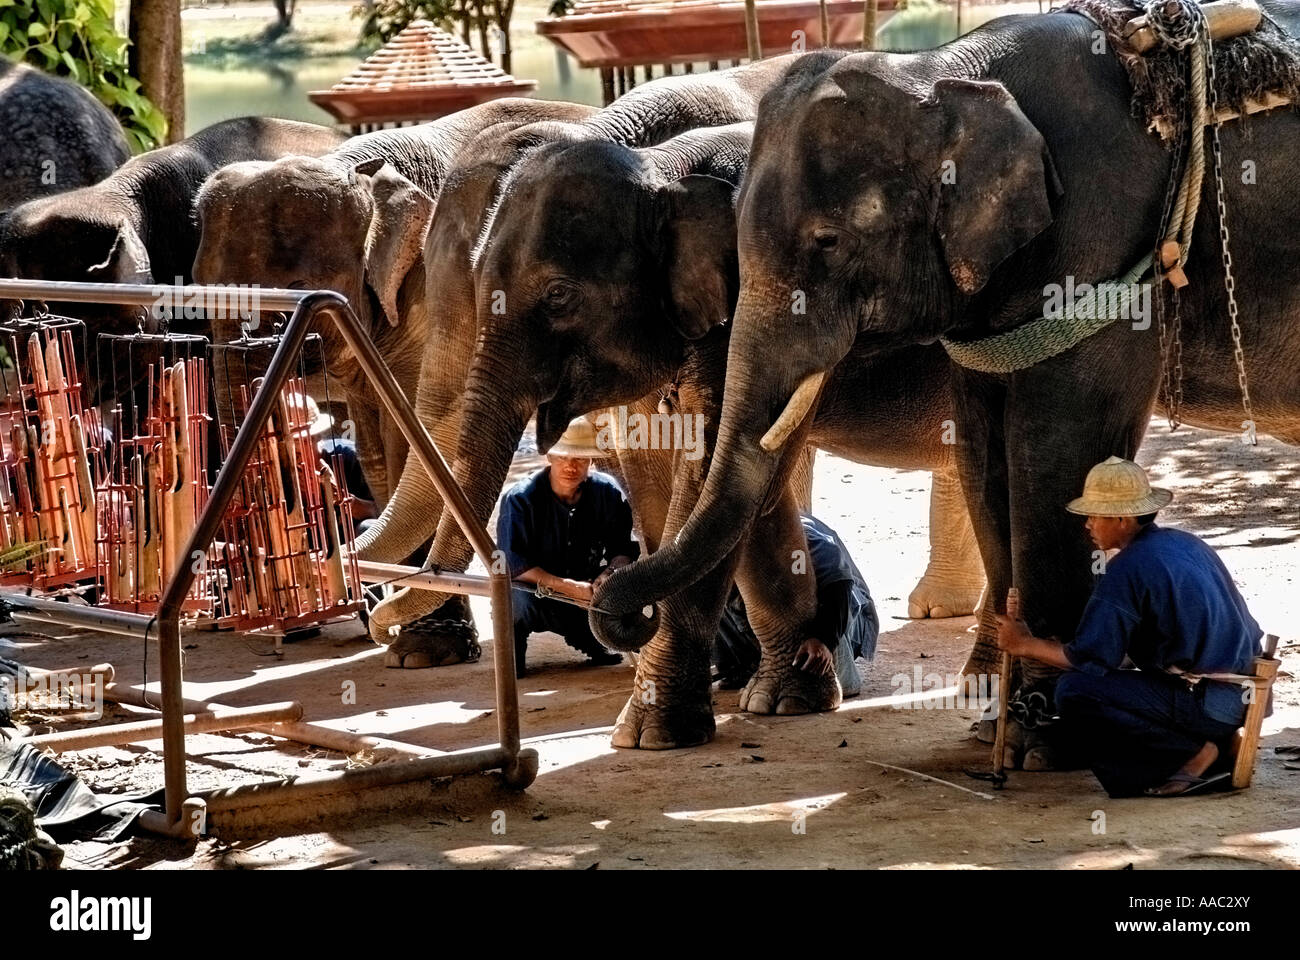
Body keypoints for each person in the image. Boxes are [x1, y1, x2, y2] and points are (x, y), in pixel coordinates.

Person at [996, 456, 1265, 798]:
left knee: (1074, 690)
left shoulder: (1128, 568)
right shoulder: (1185, 542)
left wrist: (1022, 644)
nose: (1088, 524)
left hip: (1209, 703)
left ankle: (1191, 753)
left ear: (1123, 519)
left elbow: (1089, 659)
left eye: (1095, 515)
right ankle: (1218, 738)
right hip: (1242, 696)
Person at [496, 416, 639, 678]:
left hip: (589, 596)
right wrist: (569, 588)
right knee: (517, 601)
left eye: (580, 458)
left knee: (626, 597)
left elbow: (624, 550)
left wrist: (609, 576)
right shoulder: (519, 499)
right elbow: (512, 565)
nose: (570, 466)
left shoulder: (608, 494)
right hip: (535, 592)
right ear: (549, 456)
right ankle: (512, 647)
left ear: (591, 461)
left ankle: (591, 638)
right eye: (563, 457)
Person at [715, 515, 879, 697]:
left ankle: (829, 671)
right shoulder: (719, 541)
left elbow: (837, 582)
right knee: (711, 591)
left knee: (800, 589)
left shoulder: (794, 536)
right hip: (760, 629)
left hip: (841, 617)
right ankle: (742, 667)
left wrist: (823, 639)